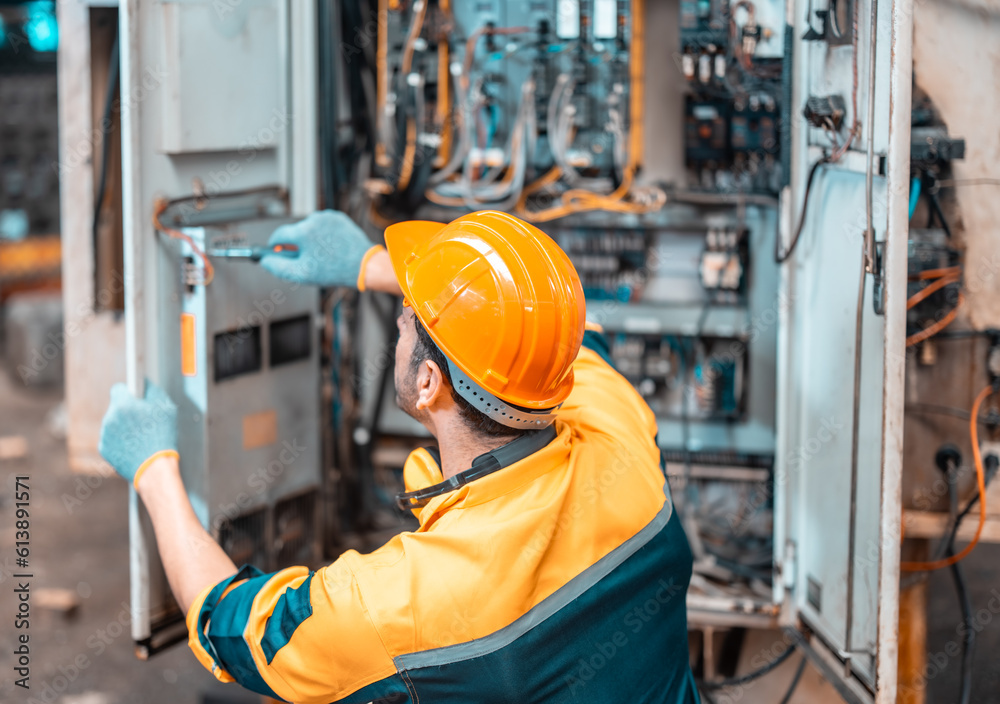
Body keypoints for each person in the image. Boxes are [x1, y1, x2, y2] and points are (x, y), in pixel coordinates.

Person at [99, 209, 698, 703]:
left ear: (429, 382)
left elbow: (228, 626)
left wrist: (153, 467)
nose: (400, 324)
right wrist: (369, 266)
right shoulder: (617, 437)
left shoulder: (402, 604)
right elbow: (559, 334)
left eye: (408, 319)